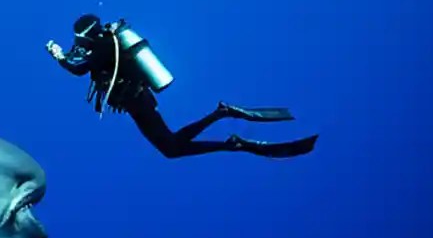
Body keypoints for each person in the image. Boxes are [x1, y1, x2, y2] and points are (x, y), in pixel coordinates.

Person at [45, 14, 318, 159]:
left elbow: (78, 69)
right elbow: (87, 62)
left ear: (86, 35)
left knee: (171, 149)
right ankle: (223, 123)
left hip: (137, 102)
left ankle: (228, 131)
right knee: (171, 146)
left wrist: (58, 55)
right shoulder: (105, 44)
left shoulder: (103, 47)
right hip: (139, 100)